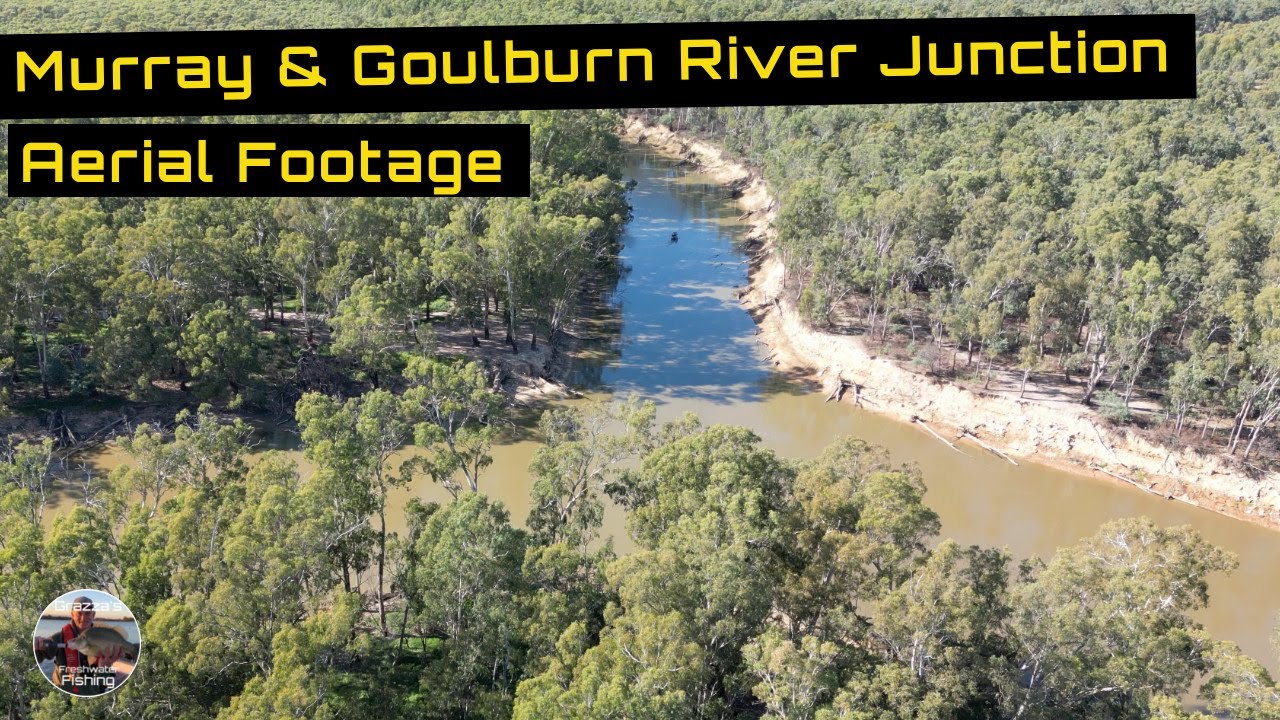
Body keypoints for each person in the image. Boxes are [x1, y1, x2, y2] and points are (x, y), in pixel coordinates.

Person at [33, 596, 125, 696]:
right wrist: (35, 646)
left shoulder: (104, 634)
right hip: (64, 694)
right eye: (79, 613)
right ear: (72, 614)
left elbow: (105, 673)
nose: (83, 618)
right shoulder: (58, 638)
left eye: (87, 613)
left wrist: (104, 667)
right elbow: (35, 658)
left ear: (93, 615)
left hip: (96, 692)